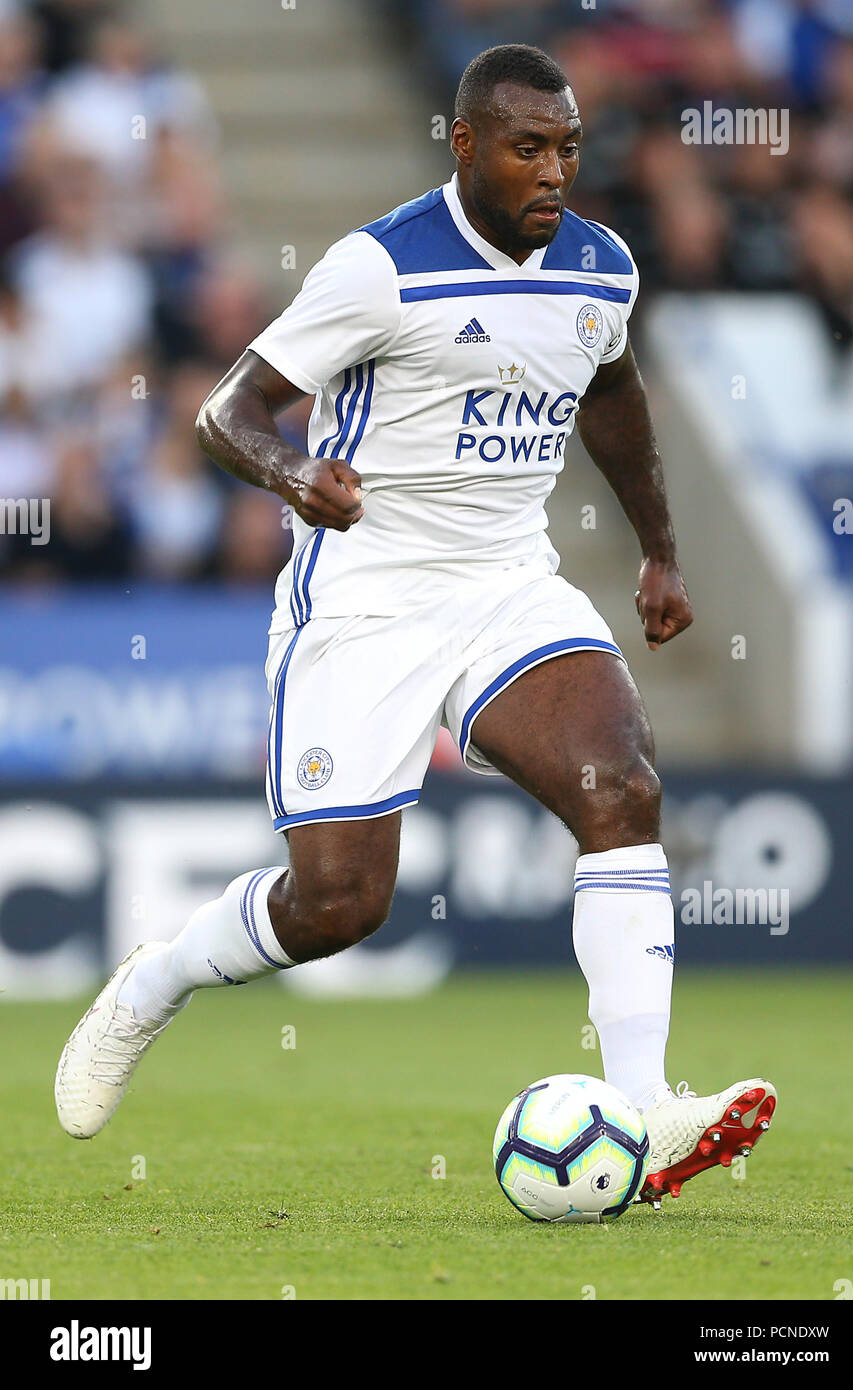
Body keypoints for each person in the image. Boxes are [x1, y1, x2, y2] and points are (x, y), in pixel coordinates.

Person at [55, 44, 776, 1204]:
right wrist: (293, 474)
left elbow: (612, 396)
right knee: (338, 905)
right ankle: (156, 981)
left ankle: (644, 1110)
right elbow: (224, 413)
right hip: (367, 595)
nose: (554, 171)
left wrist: (660, 548)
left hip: (505, 583)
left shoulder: (600, 269)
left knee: (619, 786)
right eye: (527, 147)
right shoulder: (378, 269)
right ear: (464, 145)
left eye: (569, 147)